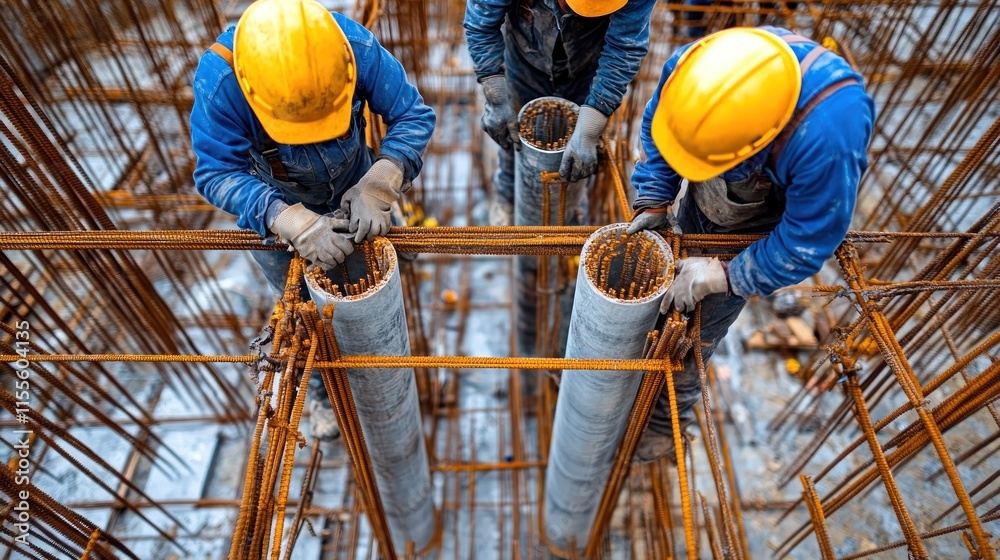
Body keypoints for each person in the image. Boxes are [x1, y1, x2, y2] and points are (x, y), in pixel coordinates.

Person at [627, 26, 875, 462]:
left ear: (757, 145)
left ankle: (665, 424)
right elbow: (662, 131)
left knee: (695, 333)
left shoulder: (828, 134)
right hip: (722, 186)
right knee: (653, 299)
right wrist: (654, 194)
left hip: (763, 217)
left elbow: (805, 242)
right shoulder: (695, 71)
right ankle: (628, 380)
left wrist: (725, 275)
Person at [190, 0, 435, 440]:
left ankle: (388, 219)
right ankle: (322, 390)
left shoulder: (352, 46)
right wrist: (286, 220)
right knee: (307, 314)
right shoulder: (223, 80)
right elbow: (215, 173)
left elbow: (412, 115)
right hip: (277, 204)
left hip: (356, 178)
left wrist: (381, 182)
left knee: (371, 272)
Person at [464, 0, 657, 226]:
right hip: (524, 57)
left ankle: (572, 203)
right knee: (513, 133)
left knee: (576, 151)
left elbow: (625, 47)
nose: (569, 10)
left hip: (587, 63)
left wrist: (593, 119)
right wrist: (495, 94)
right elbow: (481, 23)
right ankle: (508, 192)